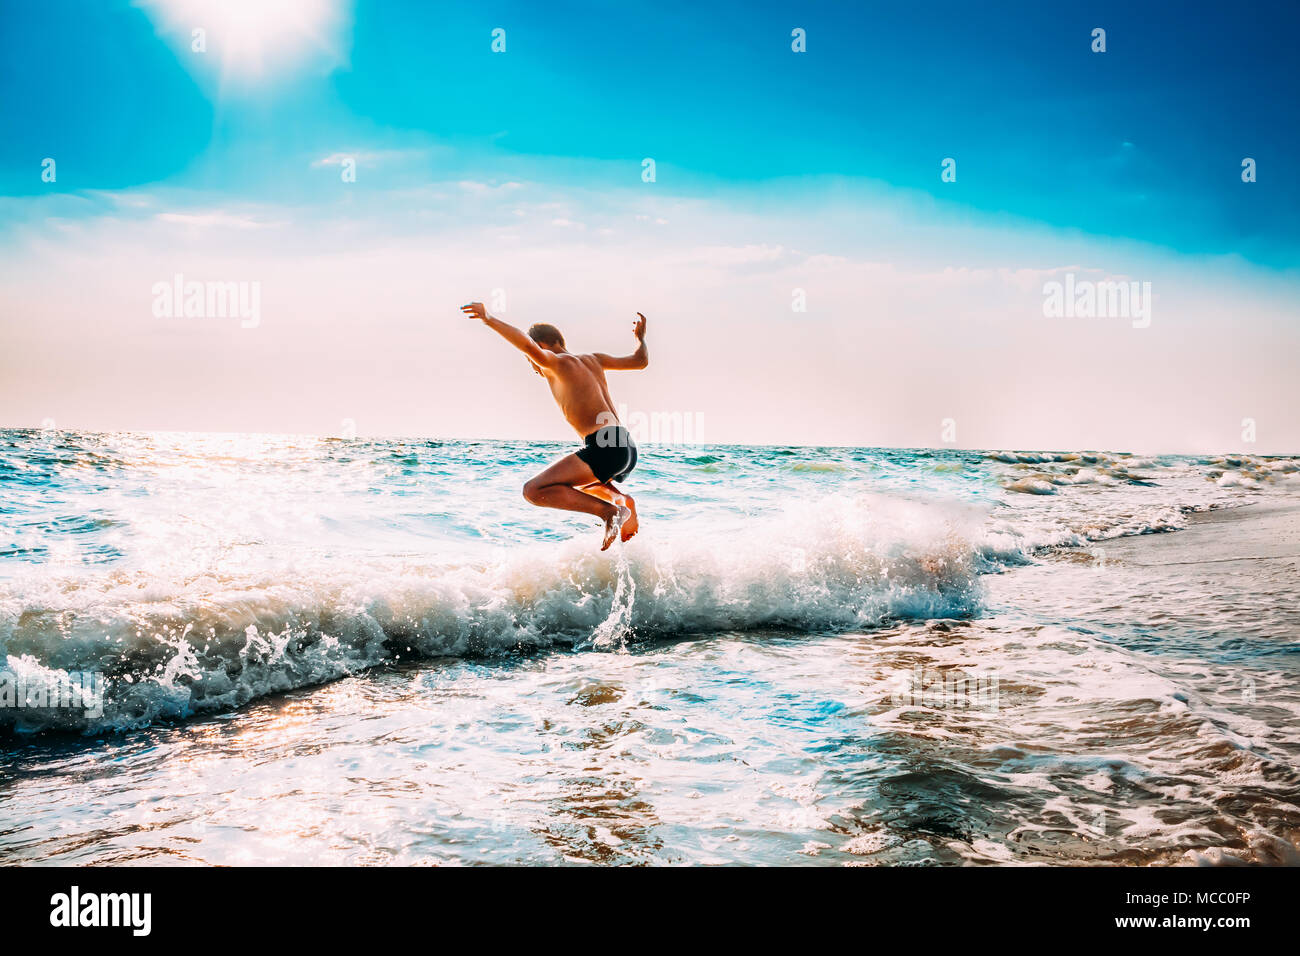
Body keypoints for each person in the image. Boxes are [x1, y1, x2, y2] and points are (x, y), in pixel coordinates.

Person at [460, 302, 648, 549]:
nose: (533, 363)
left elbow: (526, 345)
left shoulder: (557, 363)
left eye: (531, 358)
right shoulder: (594, 360)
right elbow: (640, 361)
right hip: (626, 448)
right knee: (579, 485)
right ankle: (621, 500)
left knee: (534, 490)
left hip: (604, 445)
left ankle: (610, 513)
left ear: (542, 346)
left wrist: (489, 319)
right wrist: (641, 339)